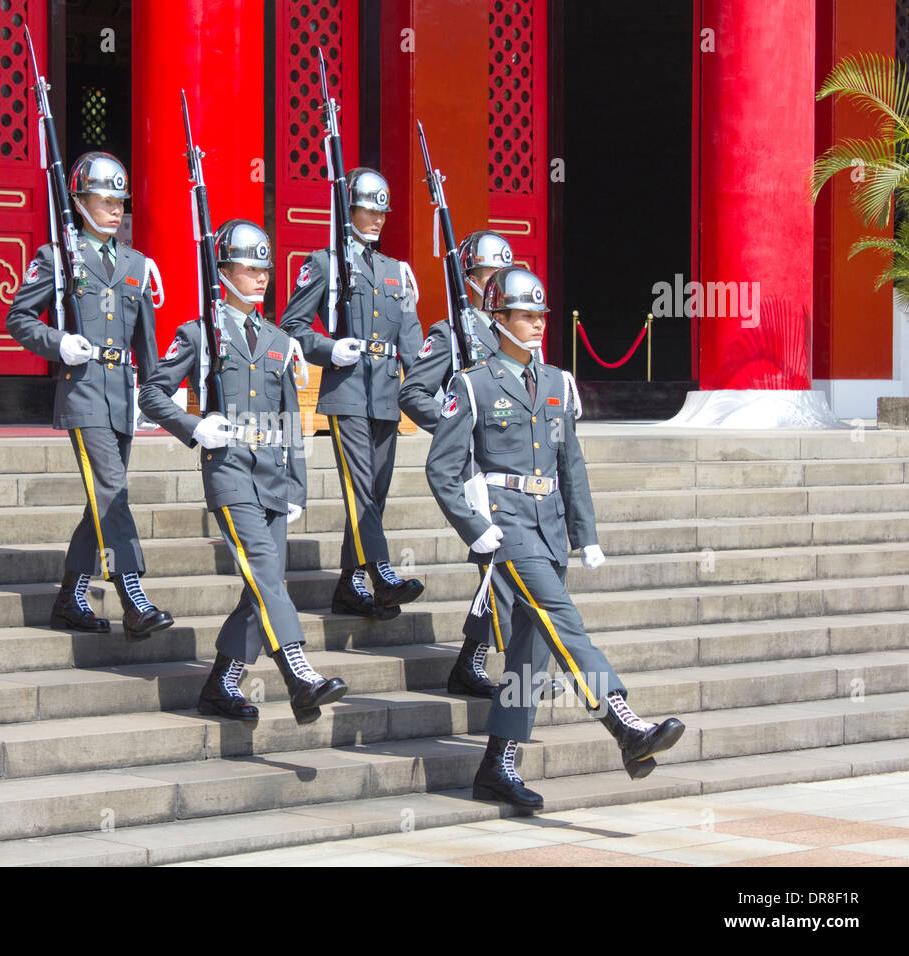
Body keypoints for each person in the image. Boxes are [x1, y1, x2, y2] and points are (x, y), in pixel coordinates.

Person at [425, 265, 684, 813]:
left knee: (530, 651)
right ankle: (622, 721)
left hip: (549, 525)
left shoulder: (558, 384)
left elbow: (572, 463)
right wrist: (477, 529)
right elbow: (441, 469)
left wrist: (585, 533)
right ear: (498, 320)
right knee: (562, 617)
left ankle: (497, 766)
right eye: (524, 314)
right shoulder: (471, 384)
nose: (537, 323)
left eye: (541, 314)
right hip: (506, 525)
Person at [139, 219, 348, 724]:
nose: (260, 277)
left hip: (273, 476)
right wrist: (194, 426)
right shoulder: (198, 333)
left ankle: (222, 683)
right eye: (249, 268)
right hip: (229, 472)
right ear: (223, 270)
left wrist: (297, 483)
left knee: (265, 582)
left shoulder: (279, 340)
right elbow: (151, 393)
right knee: (262, 570)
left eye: (264, 268)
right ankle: (300, 674)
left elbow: (292, 418)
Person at [4, 151, 173, 641]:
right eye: (104, 200)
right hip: (82, 393)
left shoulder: (138, 265)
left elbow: (148, 345)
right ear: (79, 202)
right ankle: (132, 595)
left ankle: (70, 597)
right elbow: (18, 318)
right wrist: (59, 343)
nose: (115, 209)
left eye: (120, 200)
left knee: (101, 500)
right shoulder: (57, 257)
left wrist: (154, 396)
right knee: (113, 492)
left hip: (122, 396)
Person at [281, 168, 425, 619]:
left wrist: (430, 387)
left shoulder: (396, 272)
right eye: (368, 209)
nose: (377, 218)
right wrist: (328, 349)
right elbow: (292, 327)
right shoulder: (324, 262)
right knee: (360, 487)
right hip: (347, 392)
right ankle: (380, 571)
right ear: (349, 209)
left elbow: (412, 340)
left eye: (383, 211)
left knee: (375, 493)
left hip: (386, 395)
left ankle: (349, 585)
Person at [401, 230, 516, 698]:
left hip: (517, 472)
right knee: (501, 564)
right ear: (470, 280)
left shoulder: (517, 335)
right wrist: (458, 427)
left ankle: (471, 662)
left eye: (506, 274)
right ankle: (512, 667)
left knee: (504, 567)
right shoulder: (450, 333)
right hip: (477, 472)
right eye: (491, 274)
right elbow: (413, 394)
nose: (500, 282)